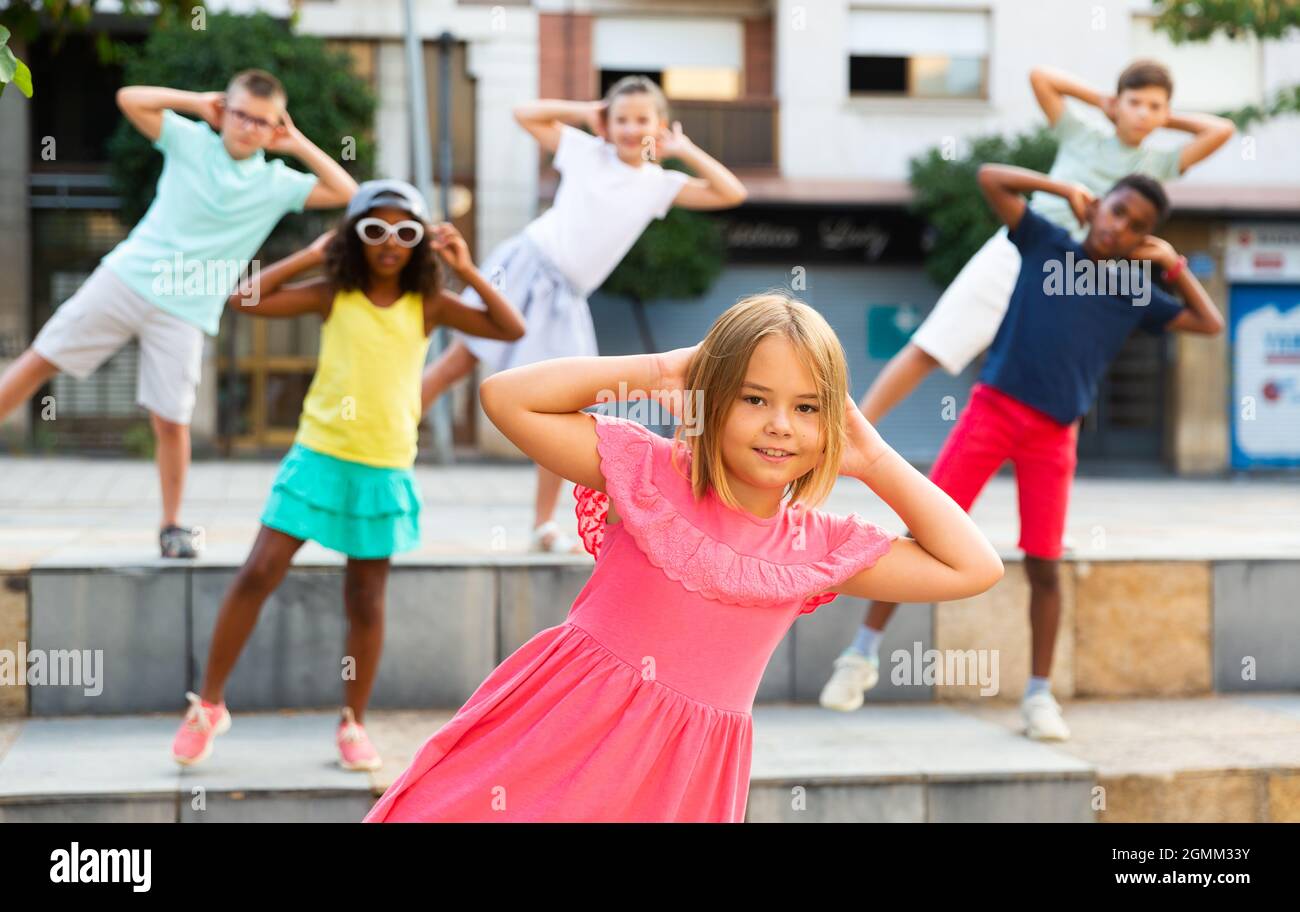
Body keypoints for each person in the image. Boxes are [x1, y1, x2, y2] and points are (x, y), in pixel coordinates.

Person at [364, 291, 1004, 822]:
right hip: (553, 741)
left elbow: (973, 566)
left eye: (807, 408)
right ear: (711, 399)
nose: (780, 423)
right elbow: (507, 397)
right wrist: (658, 371)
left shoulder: (817, 546)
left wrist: (876, 460)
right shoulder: (648, 475)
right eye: (754, 399)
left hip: (677, 785)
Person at [820, 165, 1224, 741]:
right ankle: (860, 656)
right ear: (1098, 205)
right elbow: (990, 179)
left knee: (1044, 562)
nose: (1119, 227)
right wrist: (1066, 193)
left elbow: (1210, 323)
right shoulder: (1045, 241)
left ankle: (1039, 696)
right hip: (992, 411)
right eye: (1116, 210)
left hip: (1054, 434)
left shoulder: (1132, 290)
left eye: (1136, 225)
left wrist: (1173, 265)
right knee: (922, 531)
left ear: (1143, 237)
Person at [170, 180, 526, 771]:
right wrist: (312, 256)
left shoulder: (429, 303)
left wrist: (466, 268)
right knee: (258, 571)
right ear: (354, 237)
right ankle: (208, 706)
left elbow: (508, 329)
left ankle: (352, 722)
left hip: (383, 466)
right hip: (317, 456)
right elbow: (244, 299)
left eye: (405, 232)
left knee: (365, 599)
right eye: (374, 229)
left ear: (419, 243)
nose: (389, 243)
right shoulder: (335, 292)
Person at [0, 69, 359, 557]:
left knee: (172, 421)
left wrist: (295, 142)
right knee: (39, 360)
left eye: (262, 121)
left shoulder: (277, 183)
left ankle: (171, 526)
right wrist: (196, 102)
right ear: (224, 111)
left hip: (185, 311)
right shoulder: (191, 141)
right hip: (126, 278)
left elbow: (347, 193)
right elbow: (129, 98)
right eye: (240, 114)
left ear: (274, 126)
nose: (248, 126)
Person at [420, 75, 748, 554]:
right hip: (527, 266)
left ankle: (542, 525)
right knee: (457, 364)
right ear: (606, 122)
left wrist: (684, 150)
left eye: (642, 120)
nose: (631, 129)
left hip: (566, 296)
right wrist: (587, 108)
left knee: (564, 405)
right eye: (621, 119)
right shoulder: (585, 151)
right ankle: (378, 448)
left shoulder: (656, 183)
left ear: (658, 124)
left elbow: (730, 193)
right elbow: (524, 112)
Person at [860, 60, 1233, 423]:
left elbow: (1221, 131)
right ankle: (853, 432)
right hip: (1023, 247)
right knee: (932, 346)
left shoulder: (1158, 162)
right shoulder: (1082, 133)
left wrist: (1167, 119)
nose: (1143, 113)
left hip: (1073, 275)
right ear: (1117, 103)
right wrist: (1101, 101)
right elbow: (1041, 78)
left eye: (1154, 107)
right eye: (1135, 102)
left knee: (1055, 379)